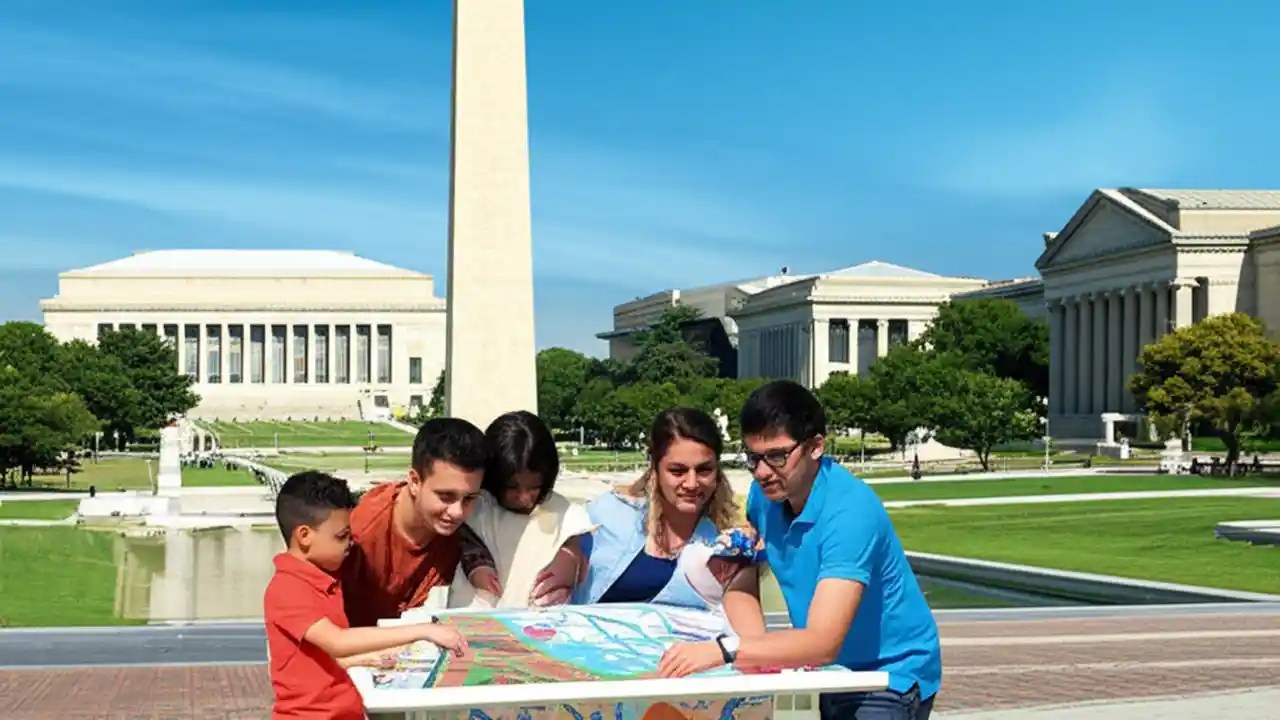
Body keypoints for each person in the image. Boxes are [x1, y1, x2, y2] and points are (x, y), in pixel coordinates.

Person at [657, 380, 942, 720]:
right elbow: (744, 573)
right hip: (830, 670)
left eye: (777, 456)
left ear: (816, 446)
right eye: (753, 457)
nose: (762, 472)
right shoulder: (765, 498)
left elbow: (823, 641)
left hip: (889, 673)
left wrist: (724, 651)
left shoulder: (850, 512)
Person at [264, 471, 468, 720]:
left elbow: (319, 659)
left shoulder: (324, 580)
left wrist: (365, 659)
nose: (350, 543)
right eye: (341, 536)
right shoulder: (288, 588)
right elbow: (337, 641)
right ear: (304, 536)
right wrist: (424, 630)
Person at [533, 407, 741, 609]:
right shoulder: (610, 513)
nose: (692, 483)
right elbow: (569, 540)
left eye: (704, 470)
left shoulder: (725, 541)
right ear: (655, 469)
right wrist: (568, 559)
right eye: (677, 471)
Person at [341, 417, 494, 627]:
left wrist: (480, 566)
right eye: (446, 496)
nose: (457, 512)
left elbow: (468, 540)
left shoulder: (453, 529)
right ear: (414, 482)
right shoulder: (357, 534)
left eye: (469, 498)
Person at [448, 411, 595, 608]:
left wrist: (571, 558)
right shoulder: (479, 505)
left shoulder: (561, 509)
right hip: (476, 616)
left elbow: (577, 541)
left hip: (539, 621)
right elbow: (463, 537)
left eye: (535, 488)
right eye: (512, 487)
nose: (525, 499)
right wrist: (476, 565)